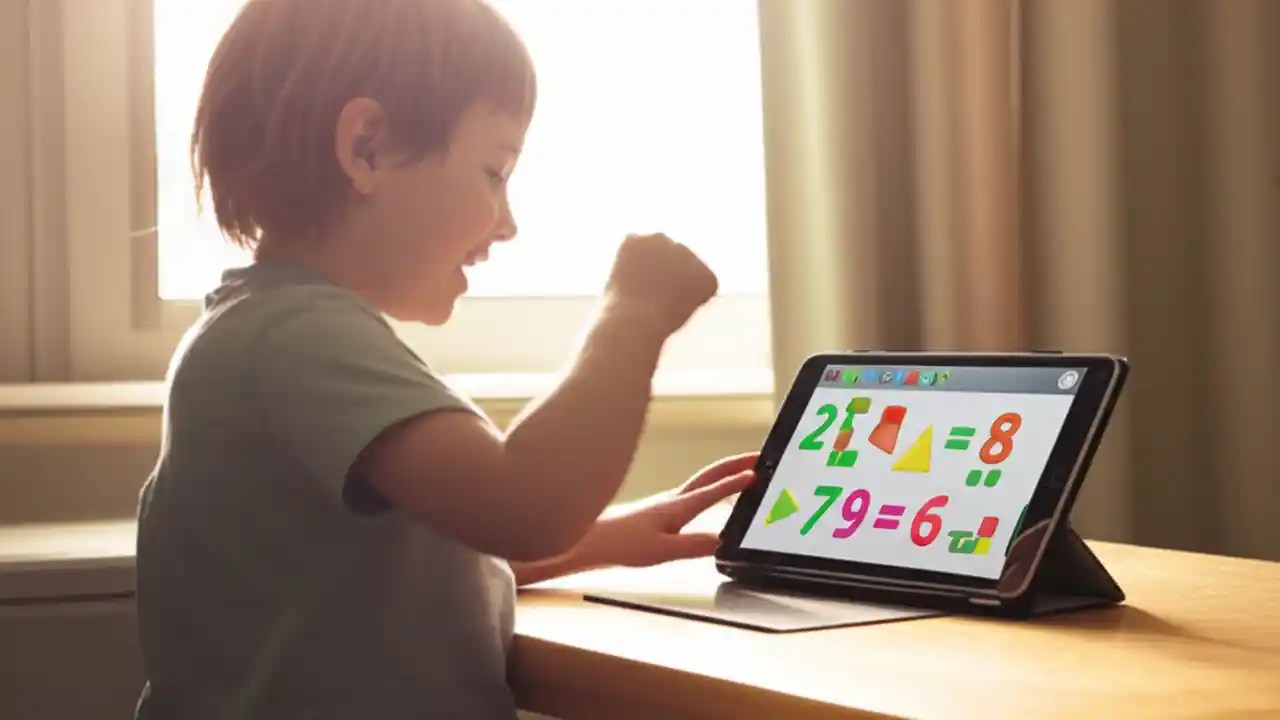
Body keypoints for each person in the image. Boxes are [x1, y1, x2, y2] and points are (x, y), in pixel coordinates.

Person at [133, 0, 756, 717]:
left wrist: (608, 536)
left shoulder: (267, 333)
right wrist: (635, 313)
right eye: (495, 171)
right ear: (365, 147)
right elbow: (523, 505)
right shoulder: (297, 340)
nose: (509, 221)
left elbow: (394, 567)